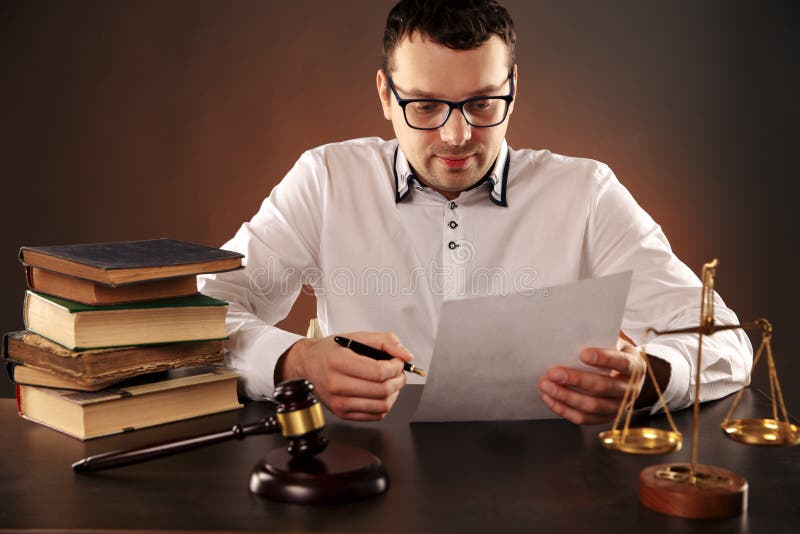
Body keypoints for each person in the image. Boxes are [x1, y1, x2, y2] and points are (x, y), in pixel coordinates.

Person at [199, 0, 752, 424]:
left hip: (552, 491)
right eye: (425, 105)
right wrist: (296, 362)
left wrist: (651, 378)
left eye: (483, 103)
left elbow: (727, 343)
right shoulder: (325, 180)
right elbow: (196, 323)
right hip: (366, 481)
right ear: (386, 96)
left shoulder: (586, 193)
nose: (457, 136)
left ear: (512, 87)